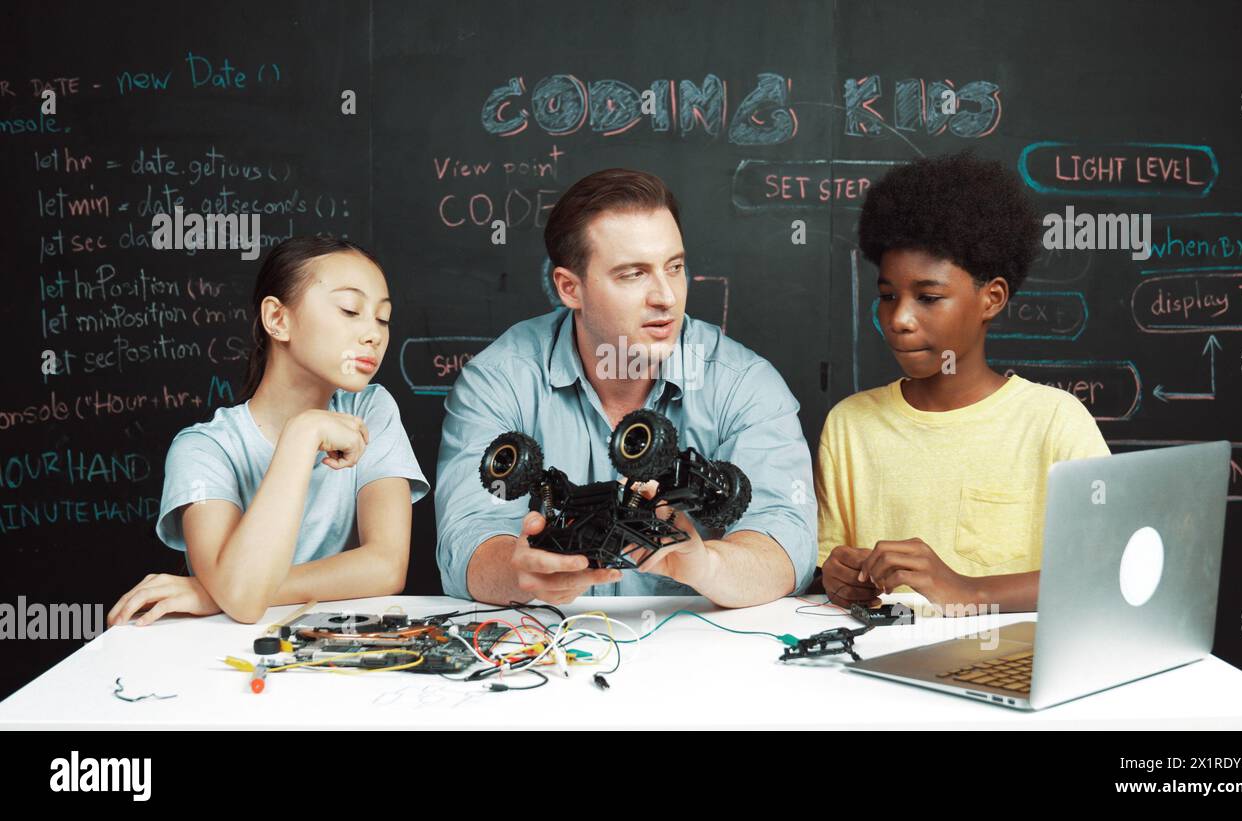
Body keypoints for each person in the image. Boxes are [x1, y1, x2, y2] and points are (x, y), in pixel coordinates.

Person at [436, 168, 816, 607]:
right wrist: (519, 571)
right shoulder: (500, 380)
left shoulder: (743, 383)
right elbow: (465, 541)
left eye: (674, 267)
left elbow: (788, 543)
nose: (667, 297)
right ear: (569, 287)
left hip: (689, 655)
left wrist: (706, 565)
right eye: (633, 274)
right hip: (547, 650)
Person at [816, 151, 1110, 613]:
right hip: (874, 669)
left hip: (1011, 667)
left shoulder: (1054, 422)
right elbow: (829, 563)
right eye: (888, 296)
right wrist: (834, 577)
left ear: (991, 299)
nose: (900, 319)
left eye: (929, 297)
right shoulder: (850, 426)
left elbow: (1104, 571)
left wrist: (967, 591)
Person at [108, 236, 429, 626]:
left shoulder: (371, 409)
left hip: (340, 650)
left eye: (382, 318)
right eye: (350, 310)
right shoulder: (203, 450)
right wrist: (302, 435)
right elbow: (242, 602)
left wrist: (215, 592)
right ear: (278, 319)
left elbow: (386, 566)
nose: (374, 334)